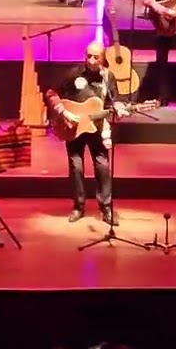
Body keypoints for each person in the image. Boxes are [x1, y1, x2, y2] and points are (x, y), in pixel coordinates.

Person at [45, 41, 129, 225]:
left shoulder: (108, 77)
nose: (90, 60)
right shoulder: (74, 73)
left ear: (103, 58)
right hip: (72, 126)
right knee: (76, 167)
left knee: (103, 166)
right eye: (88, 55)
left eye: (95, 57)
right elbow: (51, 93)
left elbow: (116, 99)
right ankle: (78, 206)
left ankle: (106, 207)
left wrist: (120, 107)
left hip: (96, 126)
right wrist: (63, 112)